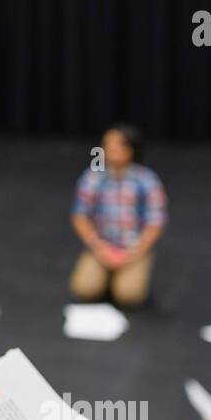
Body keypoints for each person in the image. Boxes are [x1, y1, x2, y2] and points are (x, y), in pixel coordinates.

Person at [69, 123, 167, 307]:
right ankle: (104, 276)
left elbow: (156, 221)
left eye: (118, 145)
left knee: (129, 297)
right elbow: (80, 215)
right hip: (102, 246)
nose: (111, 150)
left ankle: (125, 275)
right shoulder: (93, 177)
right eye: (108, 145)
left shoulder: (146, 180)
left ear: (131, 150)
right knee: (84, 290)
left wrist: (134, 251)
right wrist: (98, 246)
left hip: (133, 248)